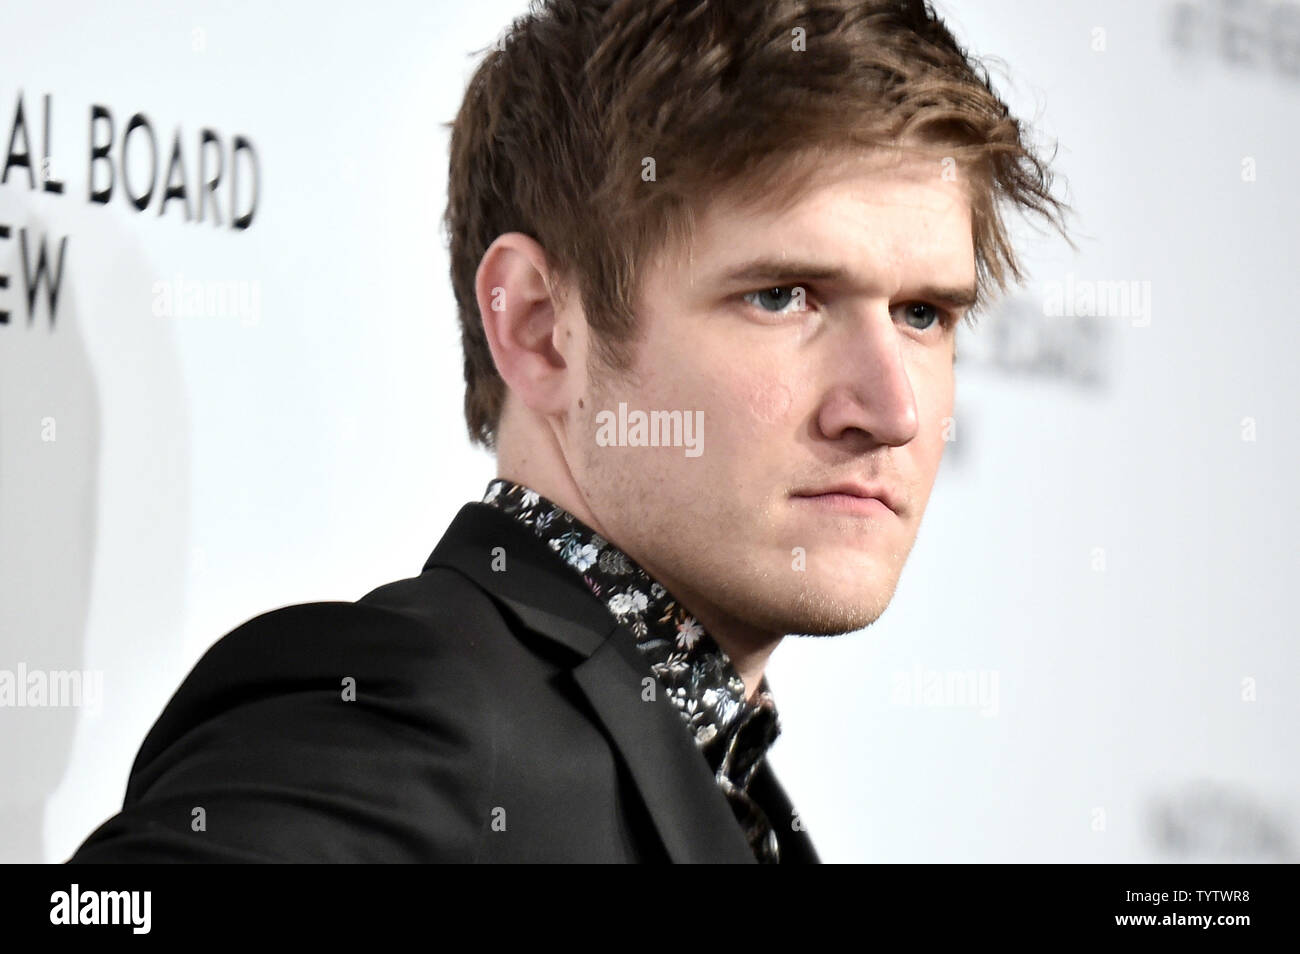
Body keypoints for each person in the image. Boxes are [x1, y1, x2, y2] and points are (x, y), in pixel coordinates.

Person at [68, 0, 1070, 863]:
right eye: (782, 295)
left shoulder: (695, 766)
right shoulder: (417, 723)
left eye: (924, 315)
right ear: (541, 329)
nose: (891, 411)